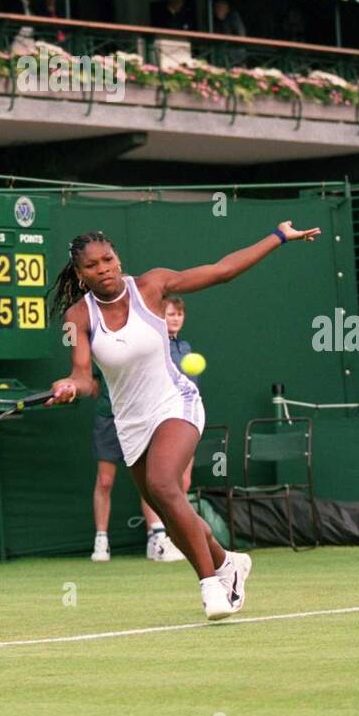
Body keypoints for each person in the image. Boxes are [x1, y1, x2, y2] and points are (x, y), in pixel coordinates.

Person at [47, 221, 321, 620]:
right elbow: (84, 377)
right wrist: (70, 386)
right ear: (79, 273)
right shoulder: (77, 317)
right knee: (167, 507)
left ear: (117, 257)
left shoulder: (152, 286)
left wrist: (278, 237)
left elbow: (222, 270)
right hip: (130, 422)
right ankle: (229, 562)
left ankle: (211, 585)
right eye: (92, 265)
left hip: (176, 403)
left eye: (108, 259)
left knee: (161, 483)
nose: (103, 268)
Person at [90, 297, 192, 564]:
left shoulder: (180, 347)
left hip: (154, 419)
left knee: (159, 480)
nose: (175, 318)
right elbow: (90, 382)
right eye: (171, 313)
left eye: (180, 314)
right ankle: (101, 540)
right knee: (105, 480)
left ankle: (157, 538)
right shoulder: (108, 340)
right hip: (111, 417)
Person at [212, 0, 247, 66]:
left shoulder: (234, 17)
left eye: (221, 7)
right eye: (217, 8)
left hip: (235, 51)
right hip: (219, 51)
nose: (219, 10)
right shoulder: (213, 19)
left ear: (227, 9)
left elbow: (241, 34)